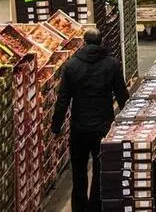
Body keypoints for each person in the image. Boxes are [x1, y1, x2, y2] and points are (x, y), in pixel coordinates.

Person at [52, 29, 130, 212]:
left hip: (79, 127)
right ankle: (96, 206)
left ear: (84, 42)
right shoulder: (111, 64)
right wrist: (127, 122)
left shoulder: (71, 66)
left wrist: (56, 126)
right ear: (101, 41)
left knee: (78, 171)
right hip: (103, 125)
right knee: (99, 169)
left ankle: (79, 207)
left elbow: (63, 99)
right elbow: (122, 94)